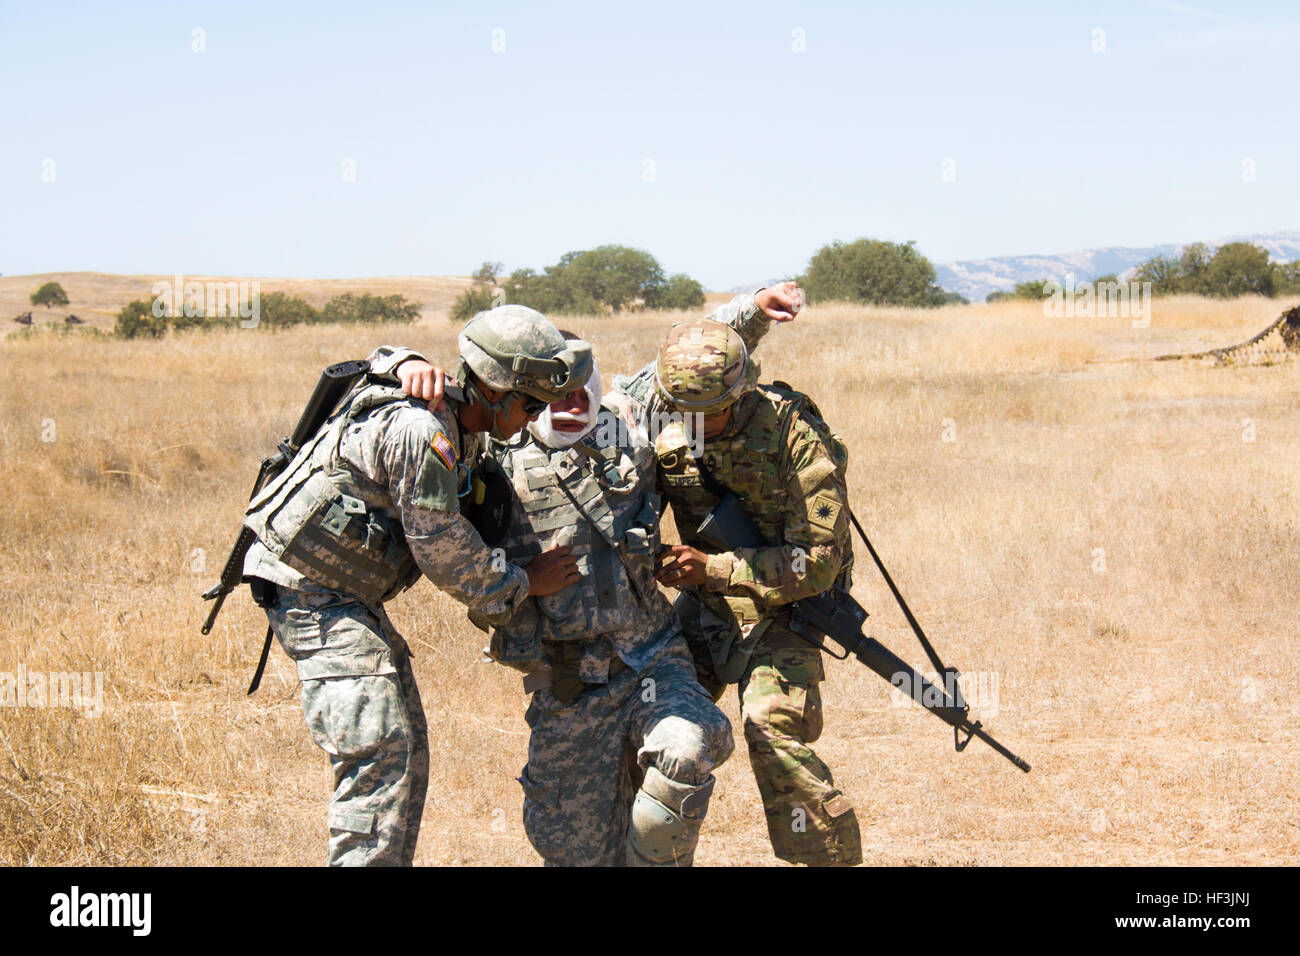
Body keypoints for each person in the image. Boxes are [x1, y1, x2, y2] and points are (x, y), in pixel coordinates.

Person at [241, 305, 587, 866]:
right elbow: (440, 545)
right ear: (493, 389)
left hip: (344, 597)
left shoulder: (461, 423)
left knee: (403, 749)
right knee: (379, 753)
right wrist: (525, 582)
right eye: (529, 404)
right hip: (312, 595)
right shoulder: (424, 431)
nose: (534, 417)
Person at [476, 338, 734, 866]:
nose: (571, 406)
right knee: (573, 848)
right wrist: (528, 579)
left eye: (581, 394)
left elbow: (695, 355)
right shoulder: (492, 463)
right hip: (570, 685)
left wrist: (757, 306)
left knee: (684, 752)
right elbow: (454, 563)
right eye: (556, 396)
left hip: (653, 662)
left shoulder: (627, 434)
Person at [646, 318, 863, 867]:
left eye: (711, 413)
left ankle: (829, 860)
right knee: (643, 717)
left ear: (742, 392)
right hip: (708, 606)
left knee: (770, 728)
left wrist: (714, 569)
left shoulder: (795, 436)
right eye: (684, 413)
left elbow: (816, 564)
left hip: (788, 609)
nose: (696, 425)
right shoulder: (665, 431)